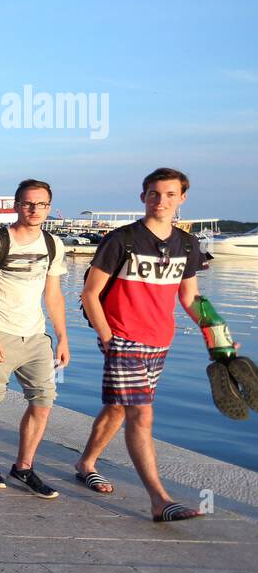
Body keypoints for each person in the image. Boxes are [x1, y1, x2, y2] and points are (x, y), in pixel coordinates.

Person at [75, 168, 211, 522]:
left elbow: (191, 297)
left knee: (120, 408)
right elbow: (90, 294)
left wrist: (217, 334)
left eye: (169, 194)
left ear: (182, 198)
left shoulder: (187, 244)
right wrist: (109, 338)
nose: (161, 201)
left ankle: (86, 461)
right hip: (124, 338)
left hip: (159, 340)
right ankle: (159, 499)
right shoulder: (122, 240)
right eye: (154, 194)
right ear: (143, 197)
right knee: (141, 413)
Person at [0, 180, 69, 498]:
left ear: (49, 208)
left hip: (36, 336)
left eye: (41, 204)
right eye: (28, 203)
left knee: (43, 403)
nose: (34, 209)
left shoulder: (53, 244)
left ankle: (24, 466)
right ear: (16, 205)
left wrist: (62, 337)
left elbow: (53, 294)